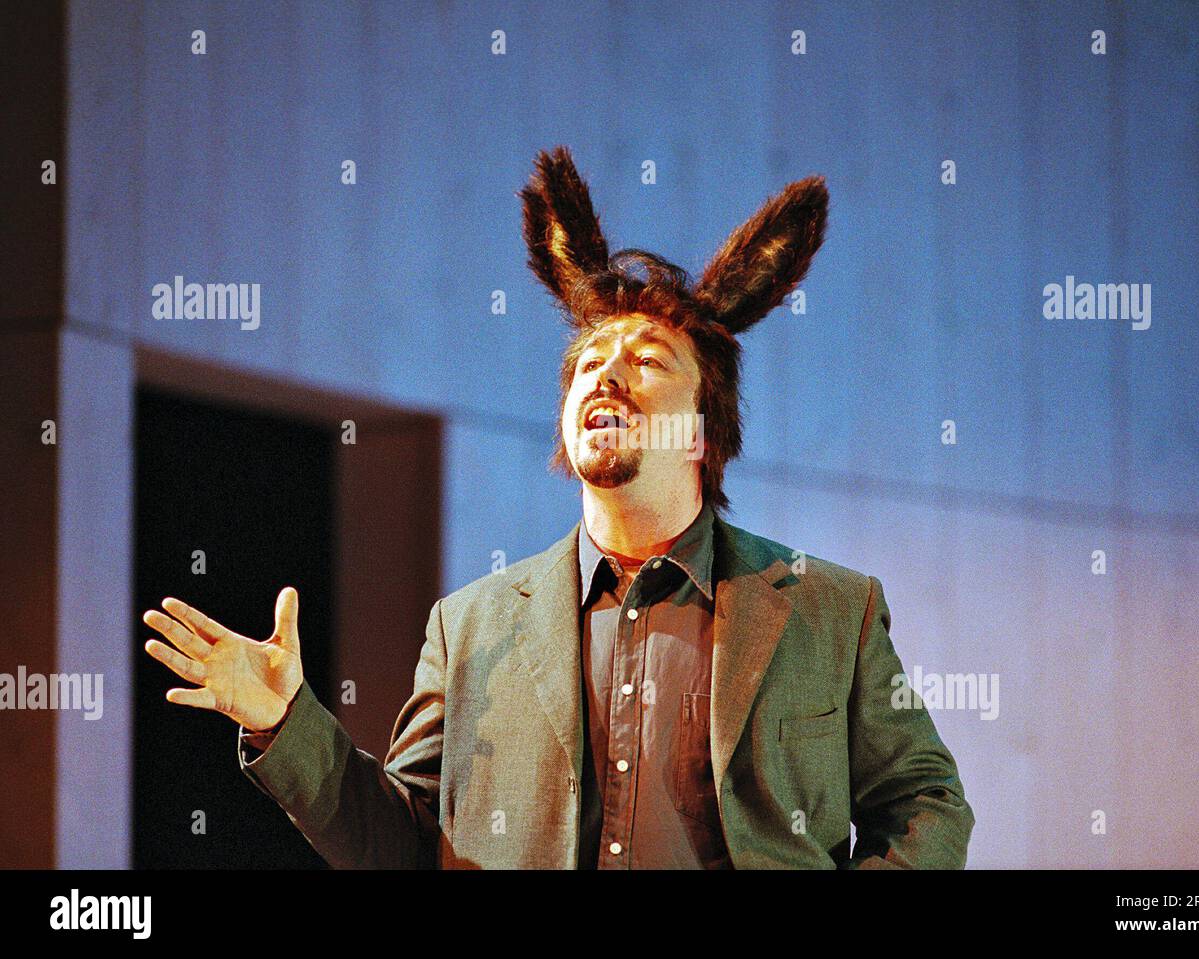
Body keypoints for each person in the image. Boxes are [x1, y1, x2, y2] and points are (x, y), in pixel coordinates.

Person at [142, 146, 974, 869]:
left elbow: (928, 806)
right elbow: (399, 845)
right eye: (587, 363)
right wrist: (288, 723)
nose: (605, 374)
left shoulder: (831, 610)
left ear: (704, 429)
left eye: (646, 358)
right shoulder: (469, 627)